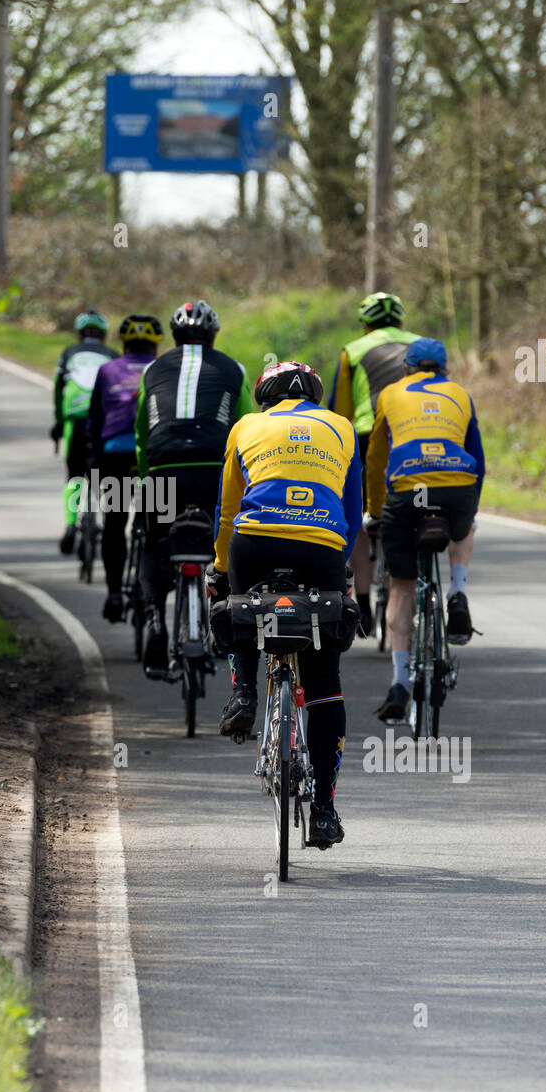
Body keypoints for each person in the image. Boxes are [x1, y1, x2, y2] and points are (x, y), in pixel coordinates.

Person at [208, 360, 362, 849]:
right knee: (325, 684)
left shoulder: (246, 427)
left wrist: (219, 567)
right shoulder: (341, 428)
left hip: (255, 542)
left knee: (242, 603)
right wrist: (343, 564)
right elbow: (351, 507)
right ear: (315, 396)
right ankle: (323, 809)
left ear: (264, 397)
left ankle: (244, 694)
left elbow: (229, 509)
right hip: (322, 546)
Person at [365, 337, 485, 722]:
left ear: (407, 368)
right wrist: (470, 506)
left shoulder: (389, 394)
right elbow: (477, 459)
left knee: (401, 586)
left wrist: (375, 508)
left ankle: (400, 682)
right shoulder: (461, 395)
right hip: (457, 487)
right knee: (465, 528)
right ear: (444, 369)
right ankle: (458, 591)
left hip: (408, 490)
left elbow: (376, 457)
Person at [134, 299, 253, 677]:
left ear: (173, 337)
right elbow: (246, 430)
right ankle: (225, 622)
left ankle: (154, 617)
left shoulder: (153, 369)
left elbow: (140, 433)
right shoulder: (233, 368)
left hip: (163, 467)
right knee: (227, 542)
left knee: (152, 540)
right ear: (213, 337)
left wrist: (145, 479)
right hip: (212, 471)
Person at [328, 291, 419, 634]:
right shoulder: (422, 345)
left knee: (359, 509)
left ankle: (362, 602)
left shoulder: (353, 350)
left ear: (366, 325)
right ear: (400, 321)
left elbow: (341, 412)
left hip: (367, 436)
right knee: (409, 508)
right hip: (413, 435)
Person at [88, 314, 164, 622]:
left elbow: (95, 421)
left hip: (115, 456)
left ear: (123, 345)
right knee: (160, 527)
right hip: (154, 456)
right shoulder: (161, 369)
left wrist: (94, 459)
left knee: (115, 523)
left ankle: (114, 593)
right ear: (156, 346)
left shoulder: (107, 370)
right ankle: (155, 600)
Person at [51, 310, 117, 554]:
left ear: (80, 334)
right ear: (103, 334)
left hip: (75, 419)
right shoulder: (112, 355)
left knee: (74, 474)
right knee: (105, 475)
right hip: (104, 420)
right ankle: (102, 522)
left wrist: (59, 421)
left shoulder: (69, 353)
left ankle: (70, 524)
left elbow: (59, 390)